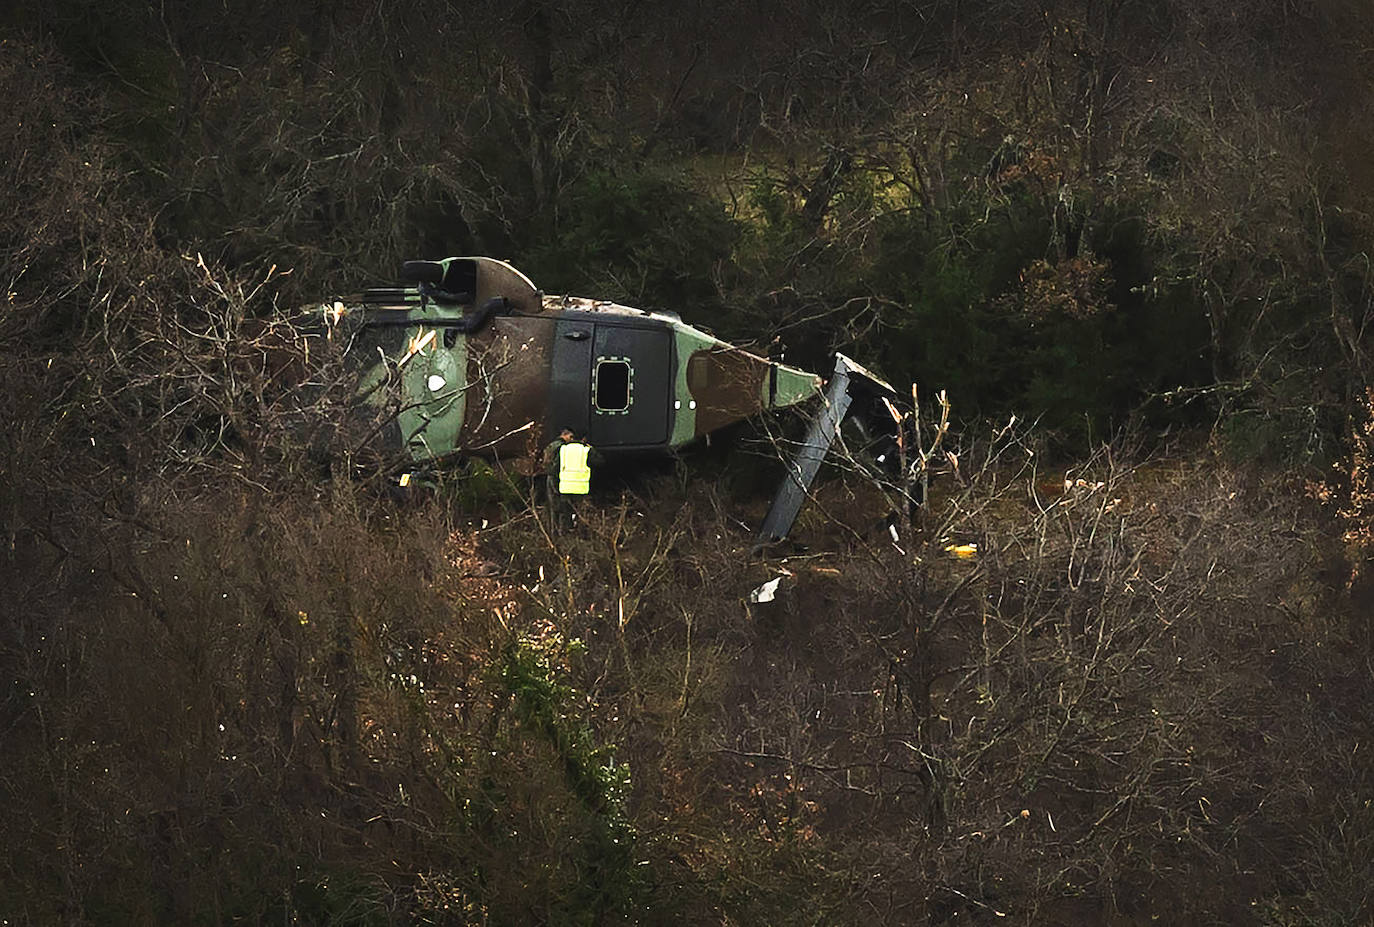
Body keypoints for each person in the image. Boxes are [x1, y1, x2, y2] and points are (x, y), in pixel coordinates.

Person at [541, 428, 599, 529]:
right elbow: (599, 461)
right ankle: (571, 530)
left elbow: (553, 466)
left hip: (563, 485)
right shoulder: (563, 447)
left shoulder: (557, 447)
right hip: (577, 487)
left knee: (560, 510)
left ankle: (557, 531)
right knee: (572, 511)